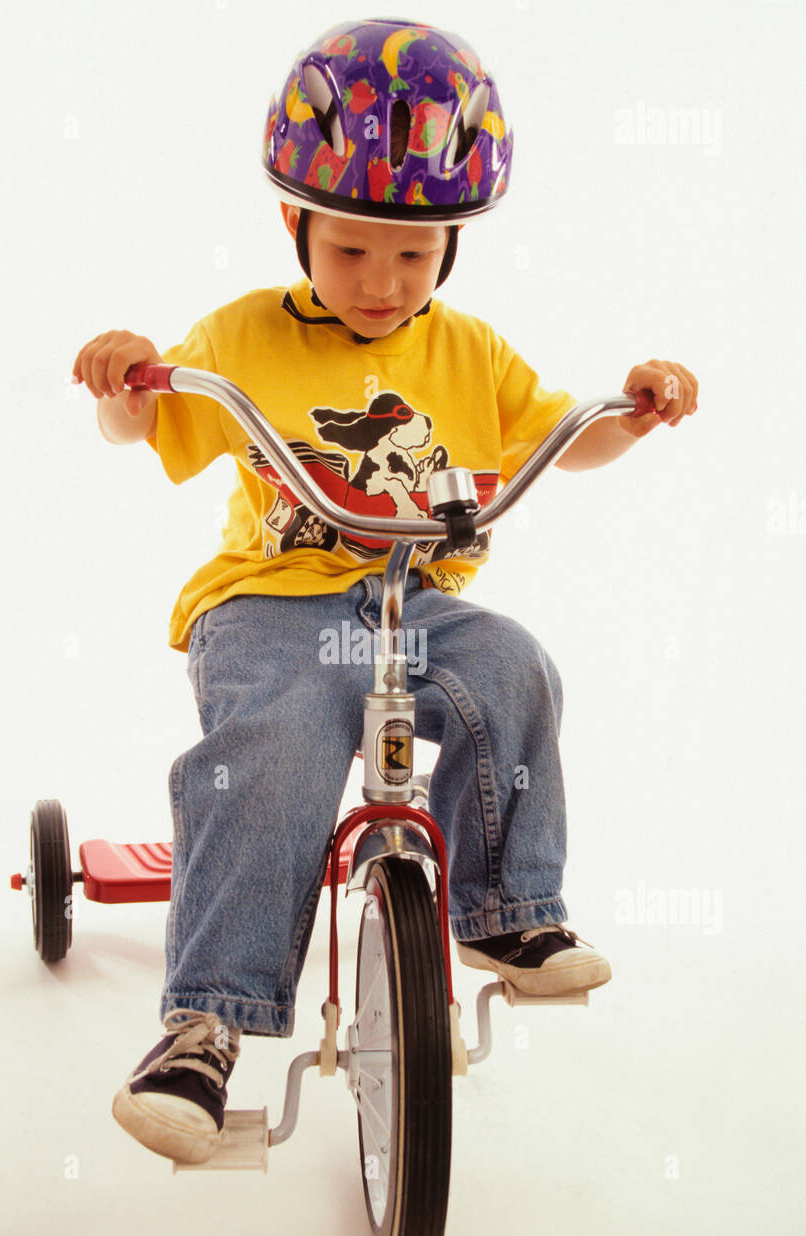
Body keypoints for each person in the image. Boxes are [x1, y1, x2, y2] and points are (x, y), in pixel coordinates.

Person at [72, 20, 698, 1165]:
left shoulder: (469, 351)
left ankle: (509, 915)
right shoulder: (247, 336)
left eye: (412, 256)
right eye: (352, 251)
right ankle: (204, 1022)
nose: (381, 282)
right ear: (294, 224)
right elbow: (152, 419)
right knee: (271, 749)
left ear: (450, 247)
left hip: (421, 596)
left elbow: (558, 438)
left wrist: (631, 410)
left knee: (512, 664)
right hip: (274, 603)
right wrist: (124, 379)